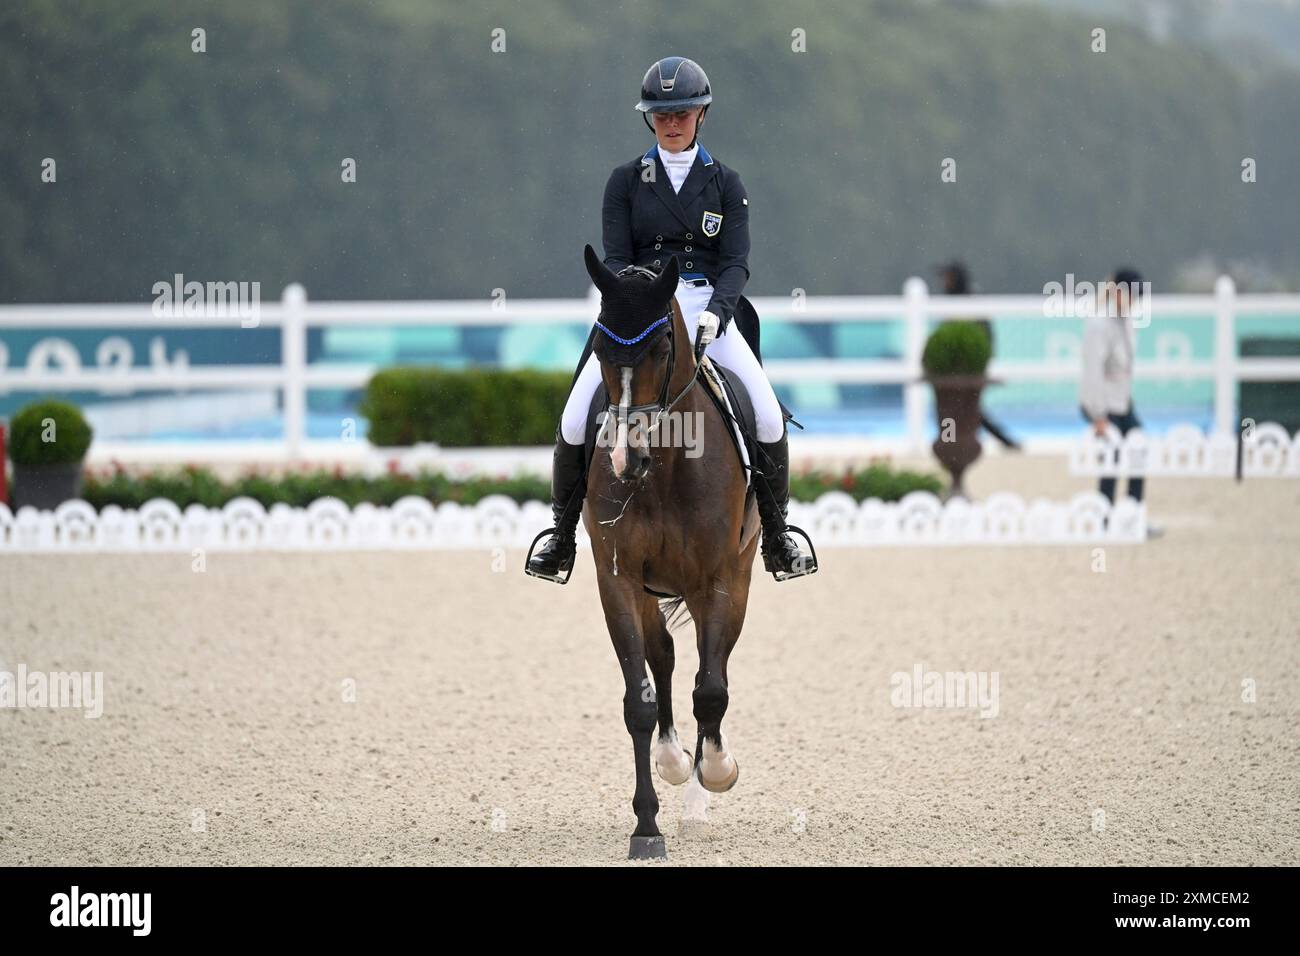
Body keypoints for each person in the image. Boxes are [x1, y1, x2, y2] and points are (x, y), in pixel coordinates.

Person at [526, 56, 815, 583]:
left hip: (708, 309)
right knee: (573, 418)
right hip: (640, 313)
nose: (673, 123)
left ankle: (777, 536)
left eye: (682, 113)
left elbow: (735, 263)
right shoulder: (624, 182)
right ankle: (561, 537)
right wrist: (636, 300)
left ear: (701, 114)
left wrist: (717, 315)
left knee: (769, 415)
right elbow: (614, 259)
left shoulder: (726, 183)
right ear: (649, 119)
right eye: (662, 115)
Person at [936, 260, 1021, 451]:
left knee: (964, 408)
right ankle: (956, 440)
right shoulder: (952, 301)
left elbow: (984, 336)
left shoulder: (970, 301)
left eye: (947, 278)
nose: (944, 282)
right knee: (959, 408)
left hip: (968, 367)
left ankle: (954, 441)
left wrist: (976, 360)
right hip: (955, 367)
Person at [1080, 267, 1147, 507]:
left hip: (1123, 402)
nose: (1134, 301)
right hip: (1104, 405)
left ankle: (1133, 511)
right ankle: (1104, 513)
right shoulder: (1099, 325)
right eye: (1130, 294)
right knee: (1111, 460)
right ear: (1117, 293)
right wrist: (1097, 415)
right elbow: (1092, 372)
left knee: (1138, 451)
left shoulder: (1127, 321)